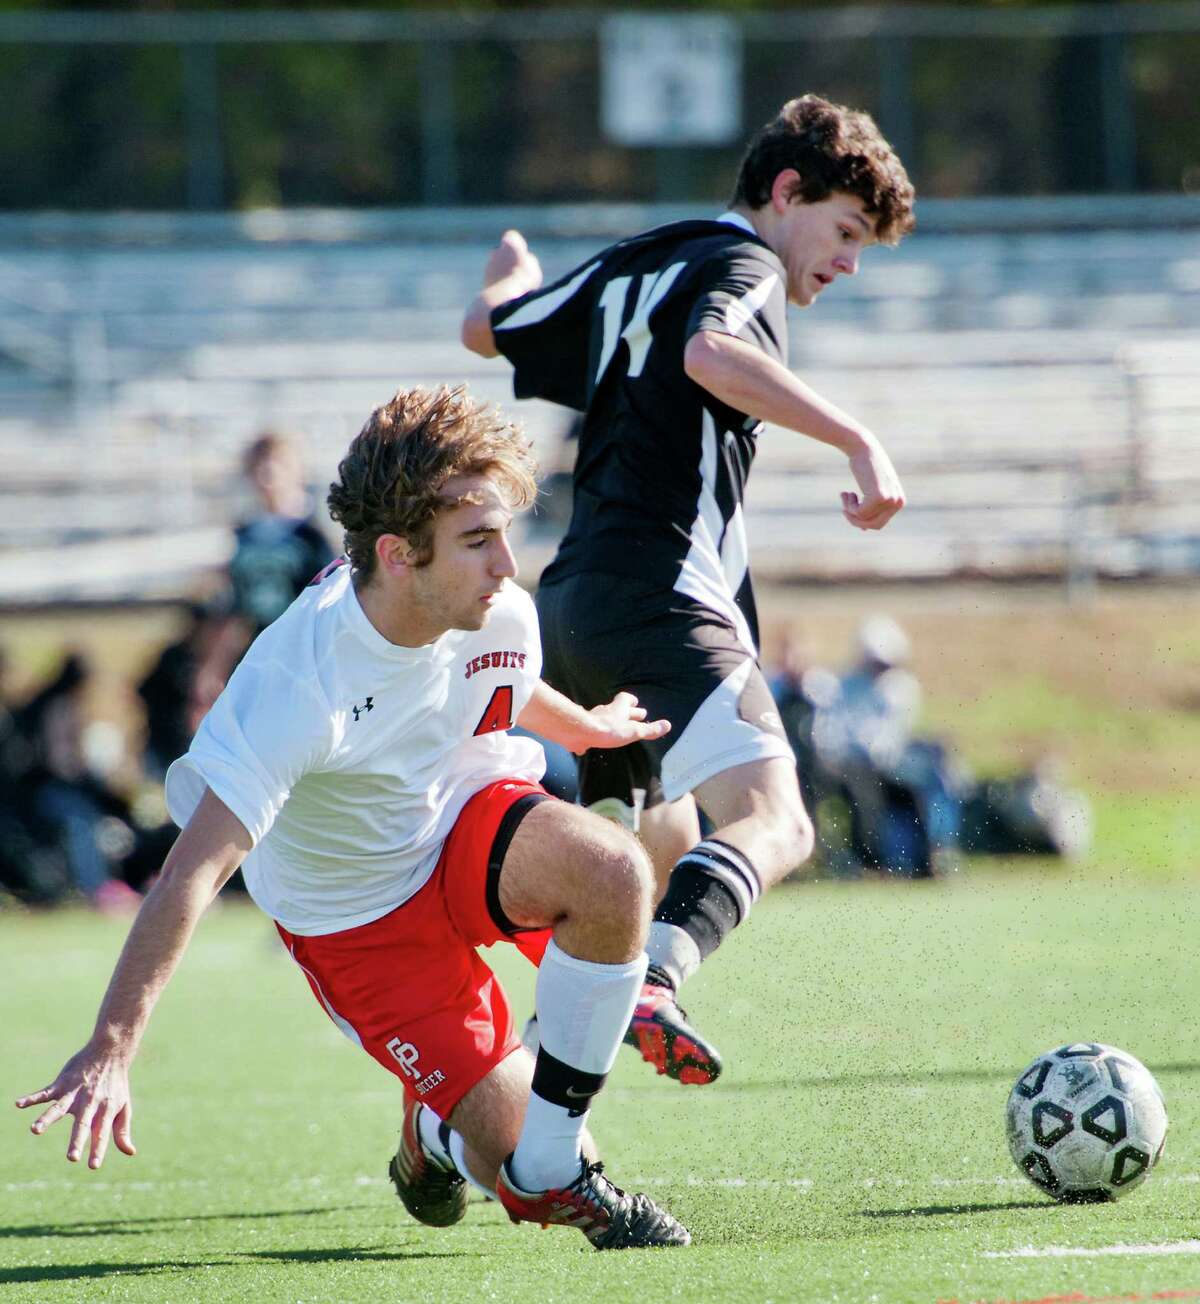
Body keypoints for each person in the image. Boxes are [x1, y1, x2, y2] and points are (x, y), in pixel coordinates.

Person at [15, 386, 689, 1252]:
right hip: (359, 919)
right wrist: (111, 1045)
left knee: (617, 873)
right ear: (398, 555)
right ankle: (446, 1137)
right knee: (518, 1174)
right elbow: (191, 872)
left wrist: (587, 728)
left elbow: (508, 679)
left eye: (503, 536)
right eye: (478, 542)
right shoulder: (301, 680)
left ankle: (558, 1161)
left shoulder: (495, 607)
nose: (507, 566)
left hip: (463, 819)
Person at [462, 94, 915, 1086]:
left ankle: (471, 1115)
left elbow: (488, 330)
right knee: (780, 818)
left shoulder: (643, 256)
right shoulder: (746, 265)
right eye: (843, 231)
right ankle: (659, 980)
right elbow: (712, 354)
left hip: (573, 604)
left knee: (652, 858)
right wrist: (857, 437)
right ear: (785, 191)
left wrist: (516, 277)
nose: (845, 262)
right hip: (662, 595)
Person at [191, 431, 335, 717]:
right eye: (259, 465)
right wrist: (214, 667)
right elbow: (236, 609)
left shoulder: (312, 535)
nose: (267, 474)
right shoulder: (244, 536)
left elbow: (330, 605)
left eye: (276, 464)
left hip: (303, 656)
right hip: (258, 655)